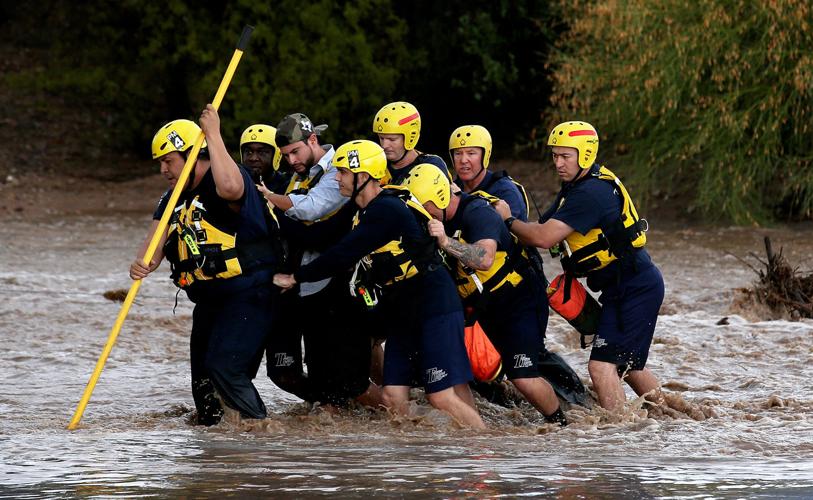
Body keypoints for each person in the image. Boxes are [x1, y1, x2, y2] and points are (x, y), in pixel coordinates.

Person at [273, 140, 485, 429]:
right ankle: (420, 459)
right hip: (402, 310)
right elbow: (322, 235)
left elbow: (343, 253)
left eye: (343, 173)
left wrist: (296, 277)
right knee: (393, 396)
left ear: (364, 176)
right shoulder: (356, 208)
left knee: (440, 396)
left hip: (433, 305)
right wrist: (272, 214)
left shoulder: (387, 210)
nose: (337, 178)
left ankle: (486, 451)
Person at [494, 120, 665, 412]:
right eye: (555, 156)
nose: (558, 163)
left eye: (565, 156)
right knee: (628, 365)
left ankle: (618, 435)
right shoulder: (576, 186)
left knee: (600, 367)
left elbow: (545, 237)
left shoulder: (590, 193)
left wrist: (507, 220)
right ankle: (677, 415)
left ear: (585, 155)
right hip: (622, 286)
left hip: (636, 286)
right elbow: (544, 226)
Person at [129, 107, 280, 425]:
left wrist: (213, 133)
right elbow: (152, 252)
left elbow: (232, 190)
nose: (163, 170)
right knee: (204, 388)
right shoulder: (172, 197)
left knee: (224, 369)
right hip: (211, 301)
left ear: (192, 155)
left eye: (168, 161)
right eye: (161, 163)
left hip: (249, 294)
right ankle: (216, 461)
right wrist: (141, 265)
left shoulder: (223, 178)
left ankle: (265, 438)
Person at [404, 163, 567, 425]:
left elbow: (485, 259)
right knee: (474, 372)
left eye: (426, 208)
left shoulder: (478, 212)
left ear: (441, 198)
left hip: (519, 299)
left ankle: (560, 424)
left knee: (522, 375)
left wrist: (446, 242)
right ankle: (481, 430)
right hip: (483, 306)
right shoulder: (436, 218)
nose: (424, 216)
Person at [449, 125, 587, 407]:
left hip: (521, 289)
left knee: (529, 358)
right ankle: (508, 409)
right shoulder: (449, 191)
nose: (464, 160)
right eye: (458, 154)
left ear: (484, 157)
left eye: (471, 153)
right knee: (480, 358)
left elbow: (506, 231)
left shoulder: (504, 190)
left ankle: (579, 402)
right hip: (481, 293)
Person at [258, 113, 380, 408]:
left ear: (313, 140)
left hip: (340, 286)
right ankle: (339, 423)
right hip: (309, 285)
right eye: (285, 156)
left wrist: (269, 200)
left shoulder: (340, 173)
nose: (291, 160)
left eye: (295, 152)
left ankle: (407, 414)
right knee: (326, 379)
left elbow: (312, 214)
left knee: (351, 382)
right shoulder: (300, 174)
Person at [372, 101, 452, 185]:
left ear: (411, 137)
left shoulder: (432, 165)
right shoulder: (374, 167)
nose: (384, 146)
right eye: (381, 138)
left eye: (392, 139)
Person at [239, 123, 290, 193]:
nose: (253, 158)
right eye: (249, 152)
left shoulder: (289, 186)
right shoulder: (234, 184)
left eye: (262, 152)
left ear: (276, 155)